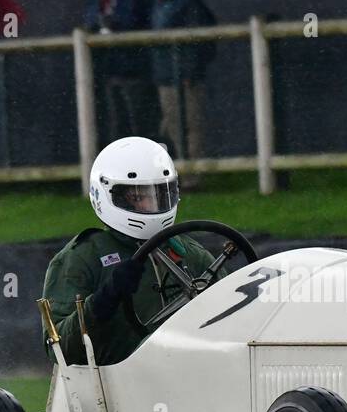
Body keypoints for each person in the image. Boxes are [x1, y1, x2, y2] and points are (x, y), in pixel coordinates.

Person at [42, 136, 222, 366]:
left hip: (194, 375)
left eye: (160, 194)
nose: (152, 206)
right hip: (114, 388)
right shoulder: (82, 257)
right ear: (107, 194)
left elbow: (234, 319)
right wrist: (102, 301)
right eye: (139, 197)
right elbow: (58, 349)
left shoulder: (190, 253)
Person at [83, 0, 158, 143]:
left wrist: (115, 23)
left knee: (140, 121)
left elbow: (140, 18)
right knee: (116, 123)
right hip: (108, 65)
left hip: (134, 64)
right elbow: (89, 19)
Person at [150, 0, 216, 167]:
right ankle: (178, 169)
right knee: (171, 125)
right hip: (165, 74)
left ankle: (193, 173)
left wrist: (191, 71)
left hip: (185, 76)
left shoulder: (189, 1)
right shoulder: (156, 2)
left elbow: (201, 39)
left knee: (191, 124)